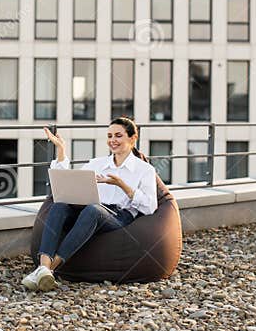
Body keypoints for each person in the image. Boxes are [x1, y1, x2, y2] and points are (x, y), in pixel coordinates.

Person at [22, 116, 158, 291]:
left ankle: (48, 270)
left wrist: (122, 185)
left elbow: (150, 206)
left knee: (93, 210)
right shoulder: (98, 163)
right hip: (90, 208)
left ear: (132, 138)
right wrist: (61, 150)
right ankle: (43, 267)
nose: (112, 140)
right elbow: (68, 179)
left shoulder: (144, 169)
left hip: (118, 215)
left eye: (118, 135)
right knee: (59, 205)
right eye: (109, 136)